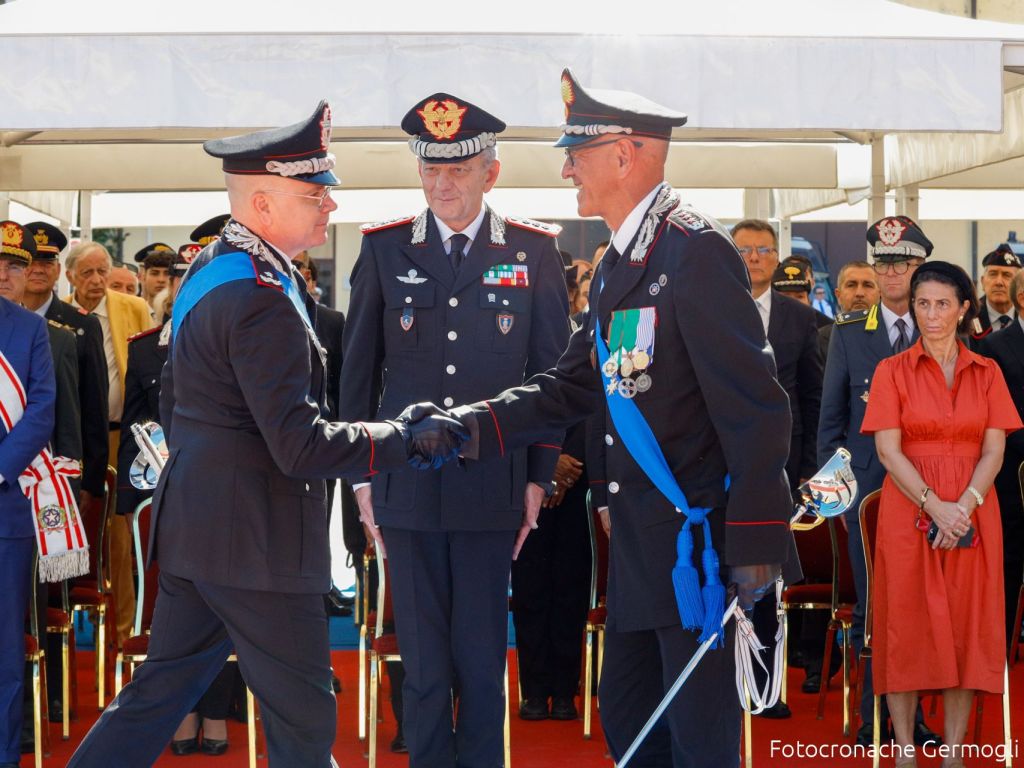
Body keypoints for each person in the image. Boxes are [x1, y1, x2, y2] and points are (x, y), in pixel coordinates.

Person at [66, 100, 467, 768]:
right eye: (314, 195)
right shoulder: (260, 299)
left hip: (205, 528)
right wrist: (402, 436)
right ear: (261, 201)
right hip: (257, 542)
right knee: (305, 720)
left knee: (158, 695)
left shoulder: (221, 271)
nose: (330, 209)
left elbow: (175, 399)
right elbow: (299, 444)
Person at [432, 68, 796, 768]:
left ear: (626, 154)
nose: (567, 167)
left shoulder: (695, 252)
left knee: (698, 740)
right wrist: (467, 425)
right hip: (636, 554)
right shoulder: (621, 260)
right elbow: (571, 384)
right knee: (630, 726)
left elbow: (757, 408)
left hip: (699, 558)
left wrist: (755, 545)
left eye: (579, 151)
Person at [339, 90, 570, 767]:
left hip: (492, 486)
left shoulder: (531, 250)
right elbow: (356, 378)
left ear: (490, 173)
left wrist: (536, 479)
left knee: (479, 660)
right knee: (423, 663)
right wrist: (359, 481)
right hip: (403, 486)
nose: (442, 183)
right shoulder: (383, 249)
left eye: (458, 170)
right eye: (430, 169)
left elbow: (551, 379)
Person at [862, 260, 1019, 768]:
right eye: (922, 303)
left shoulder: (988, 371)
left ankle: (953, 754)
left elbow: (995, 451)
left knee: (967, 627)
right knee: (905, 627)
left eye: (942, 304)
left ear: (964, 309)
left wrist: (964, 507)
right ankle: (904, 752)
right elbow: (888, 451)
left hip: (975, 510)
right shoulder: (891, 371)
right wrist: (936, 507)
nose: (931, 314)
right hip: (910, 512)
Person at [818, 216, 941, 747]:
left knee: (928, 606)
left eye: (904, 263)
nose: (893, 273)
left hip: (932, 491)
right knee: (873, 605)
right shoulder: (849, 335)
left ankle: (918, 720)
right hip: (867, 492)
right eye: (884, 263)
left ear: (919, 269)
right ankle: (874, 716)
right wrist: (839, 496)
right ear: (874, 267)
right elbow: (831, 425)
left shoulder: (939, 328)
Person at [733, 220, 822, 715]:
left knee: (769, 579)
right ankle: (725, 679)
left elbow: (812, 396)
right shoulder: (712, 304)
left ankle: (765, 687)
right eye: (743, 249)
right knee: (725, 574)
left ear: (776, 256)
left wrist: (808, 469)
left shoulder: (799, 318)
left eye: (763, 249)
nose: (753, 258)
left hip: (782, 468)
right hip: (721, 464)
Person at [67, 240, 154, 647]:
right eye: (87, 272)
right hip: (75, 440)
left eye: (102, 271)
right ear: (70, 277)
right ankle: (65, 623)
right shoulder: (63, 317)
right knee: (73, 529)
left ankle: (124, 632)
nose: (97, 280)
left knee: (123, 537)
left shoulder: (132, 309)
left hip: (123, 436)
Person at [0, 221, 56, 768]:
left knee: (4, 651)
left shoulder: (29, 330)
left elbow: (41, 410)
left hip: (5, 506)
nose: (3, 273)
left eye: (13, 265)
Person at [976, 268, 1024, 649]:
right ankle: (1004, 644)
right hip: (1011, 469)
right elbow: (992, 410)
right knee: (1010, 560)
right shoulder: (994, 346)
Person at [818, 260, 879, 362]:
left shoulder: (892, 336)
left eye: (867, 285)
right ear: (838, 295)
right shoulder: (818, 341)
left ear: (880, 294)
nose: (859, 293)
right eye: (851, 285)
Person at [969, 244, 1021, 346]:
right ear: (983, 282)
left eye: (1007, 275)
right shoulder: (968, 316)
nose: (999, 282)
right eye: (993, 274)